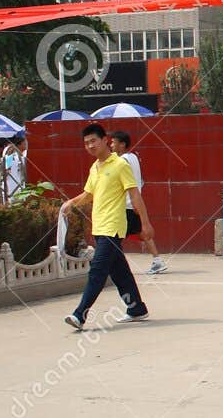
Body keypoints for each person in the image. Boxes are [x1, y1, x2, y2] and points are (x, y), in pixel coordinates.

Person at [60, 123, 151, 329]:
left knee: (98, 270)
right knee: (119, 271)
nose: (90, 146)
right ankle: (137, 308)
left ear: (104, 140)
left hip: (113, 226)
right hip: (99, 227)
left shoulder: (120, 165)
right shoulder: (95, 167)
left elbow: (134, 194)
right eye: (86, 143)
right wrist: (70, 203)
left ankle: (79, 314)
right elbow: (89, 195)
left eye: (93, 141)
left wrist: (146, 223)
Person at [108, 131, 168, 274]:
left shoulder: (122, 161)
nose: (111, 145)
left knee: (112, 236)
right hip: (133, 203)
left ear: (121, 144)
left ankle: (111, 265)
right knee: (142, 233)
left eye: (113, 142)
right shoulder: (133, 157)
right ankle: (157, 260)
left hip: (126, 205)